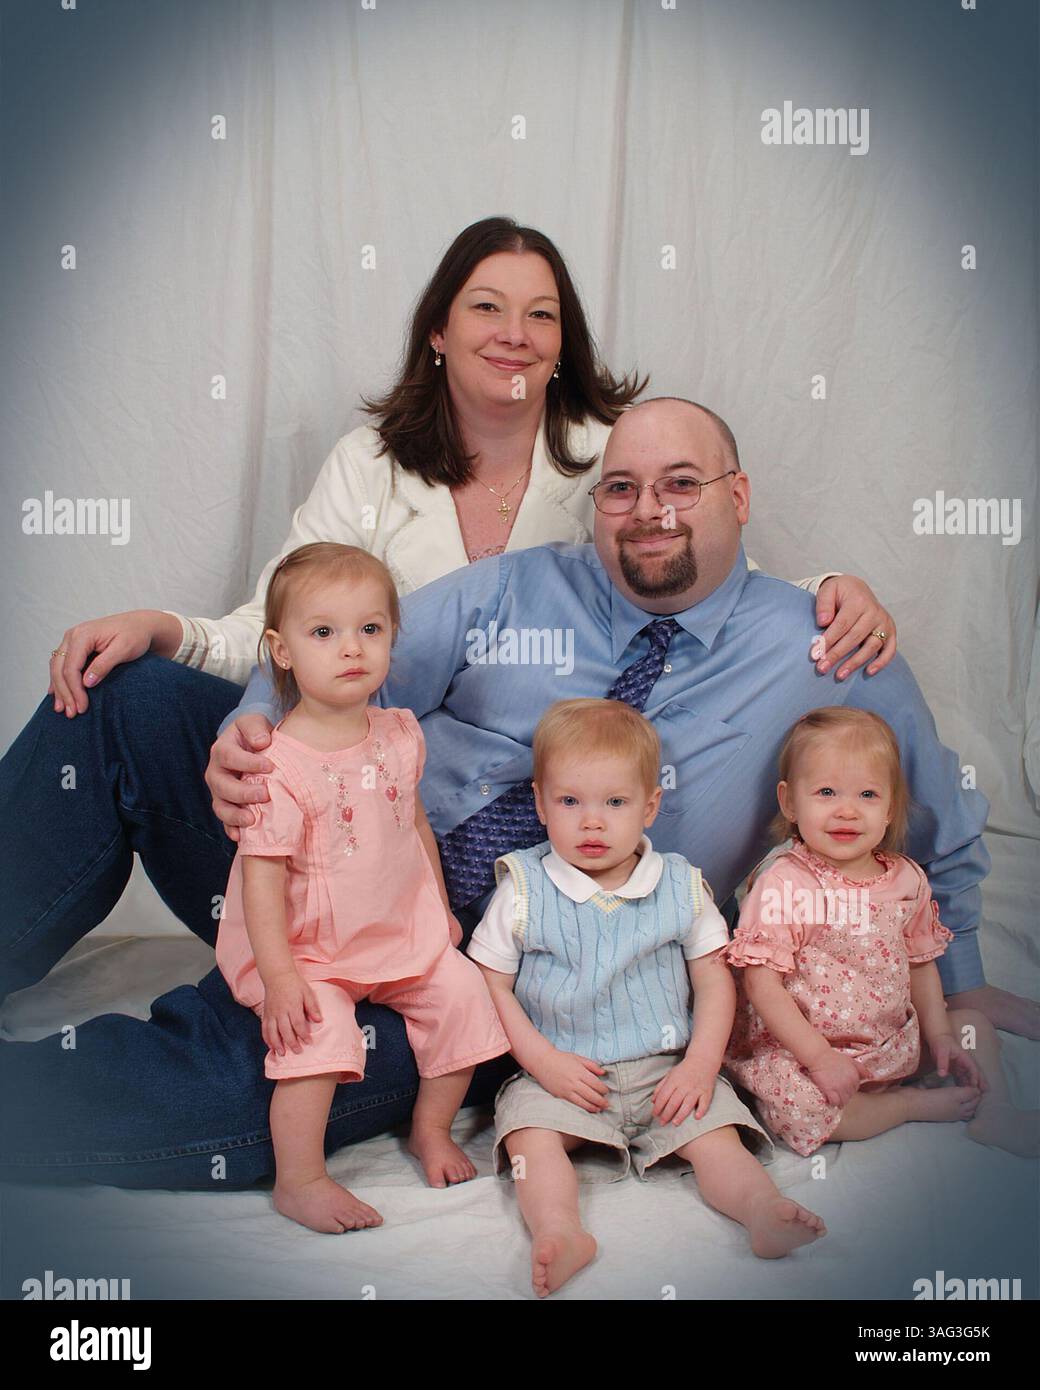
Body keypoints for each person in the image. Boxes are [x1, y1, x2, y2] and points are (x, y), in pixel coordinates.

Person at [0, 393, 973, 1188]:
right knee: (119, 696)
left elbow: (942, 844)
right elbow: (347, 660)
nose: (648, 508)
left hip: (496, 972)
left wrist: (959, 1014)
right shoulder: (511, 589)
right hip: (338, 844)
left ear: (739, 494)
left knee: (249, 1089)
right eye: (620, 488)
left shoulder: (826, 646)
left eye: (681, 482)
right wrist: (251, 727)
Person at [469, 698, 825, 1298]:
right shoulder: (524, 887)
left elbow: (715, 980)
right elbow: (492, 984)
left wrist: (700, 1065)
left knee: (716, 1139)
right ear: (540, 802)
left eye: (615, 803)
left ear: (650, 806)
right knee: (531, 1136)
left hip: (668, 1071)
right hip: (565, 1073)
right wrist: (542, 1062)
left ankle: (763, 1211)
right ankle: (561, 1232)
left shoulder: (680, 884)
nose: (591, 822)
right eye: (569, 801)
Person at [215, 543, 509, 1232]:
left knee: (465, 996)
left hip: (393, 924)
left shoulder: (398, 734)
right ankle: (302, 1178)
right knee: (316, 1039)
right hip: (309, 946)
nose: (352, 648)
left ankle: (431, 1129)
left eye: (370, 629)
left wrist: (437, 910)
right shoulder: (277, 766)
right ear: (280, 650)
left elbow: (414, 824)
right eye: (324, 632)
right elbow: (261, 882)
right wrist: (282, 977)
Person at [723, 707, 1038, 1159]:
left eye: (868, 794)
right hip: (805, 1048)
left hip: (891, 1039)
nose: (847, 811)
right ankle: (904, 1105)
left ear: (890, 807)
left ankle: (997, 1112)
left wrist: (940, 1036)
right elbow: (761, 984)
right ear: (790, 802)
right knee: (798, 1112)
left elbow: (921, 964)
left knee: (972, 1026)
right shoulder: (785, 882)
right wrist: (818, 1057)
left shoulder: (906, 878)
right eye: (826, 792)